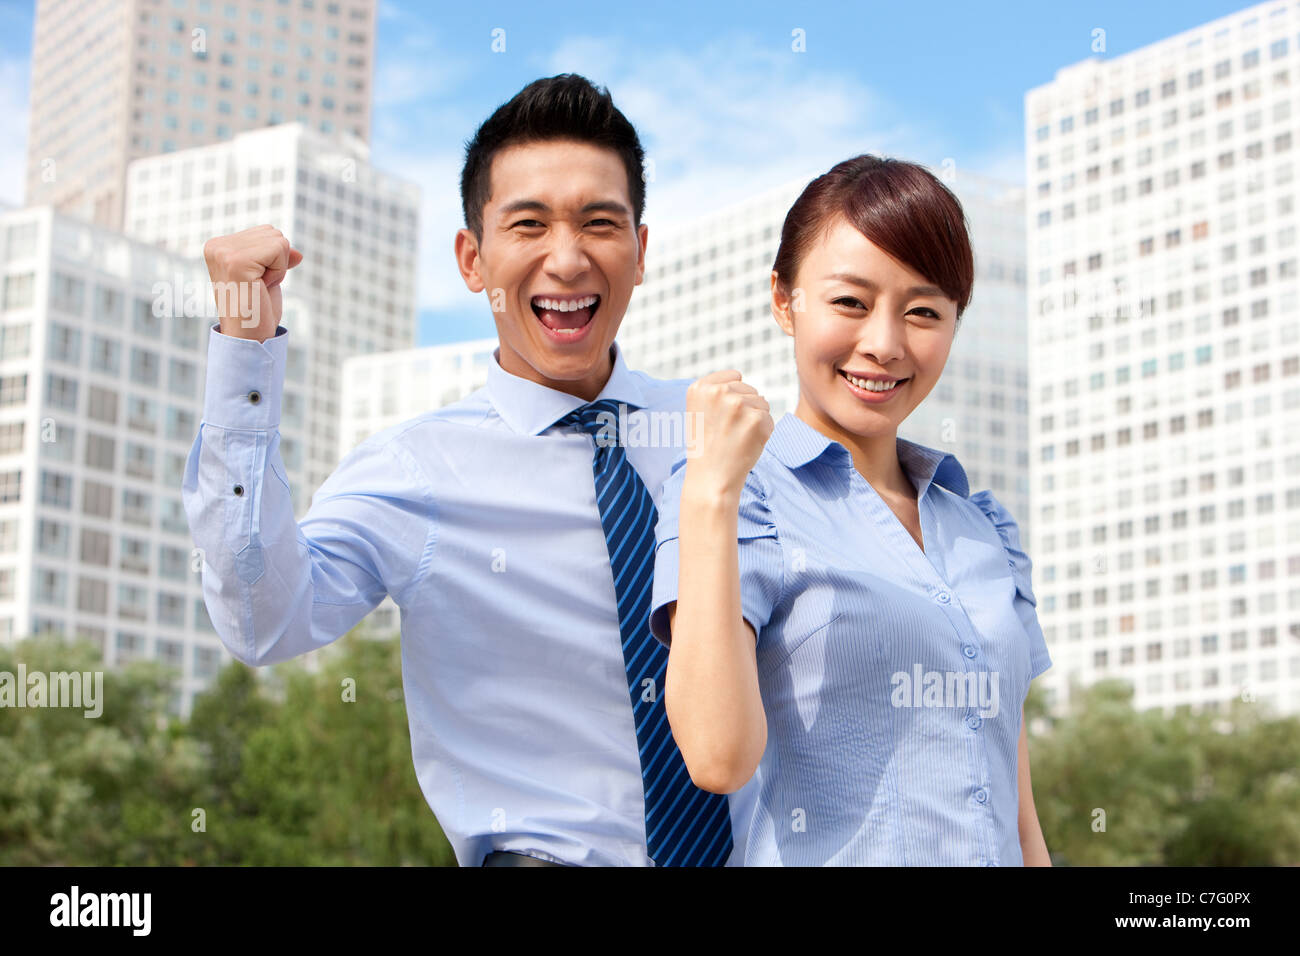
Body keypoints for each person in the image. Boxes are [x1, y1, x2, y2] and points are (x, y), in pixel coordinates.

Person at [182, 74, 756, 867]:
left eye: (599, 223)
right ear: (472, 259)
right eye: (528, 225)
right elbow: (264, 621)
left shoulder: (718, 436)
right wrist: (245, 352)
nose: (568, 257)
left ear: (641, 250)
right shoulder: (414, 470)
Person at [648, 155, 1053, 866]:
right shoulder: (737, 492)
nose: (885, 344)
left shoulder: (983, 527)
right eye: (851, 303)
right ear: (784, 300)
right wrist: (711, 491)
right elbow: (717, 756)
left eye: (924, 311)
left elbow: (1014, 811)